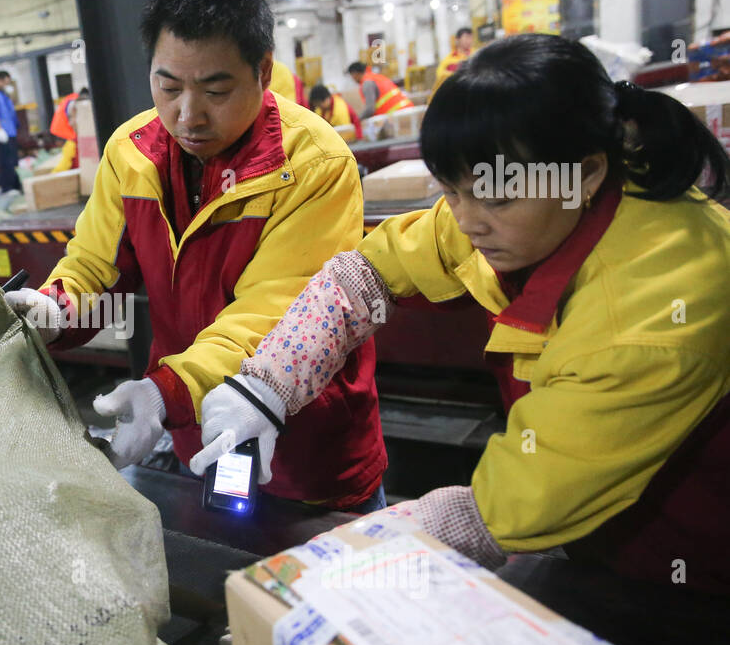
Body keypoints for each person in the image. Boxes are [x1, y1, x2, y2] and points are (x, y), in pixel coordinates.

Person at [191, 33, 730, 595]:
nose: (468, 221)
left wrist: (365, 559)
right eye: (450, 191)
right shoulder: (535, 196)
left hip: (695, 566)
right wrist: (268, 385)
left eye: (494, 199)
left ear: (587, 175)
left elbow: (522, 500)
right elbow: (370, 273)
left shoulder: (645, 317)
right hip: (602, 525)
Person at [6, 0, 386, 512]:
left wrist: (167, 391)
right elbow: (95, 267)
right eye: (168, 86)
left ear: (262, 71)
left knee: (325, 588)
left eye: (215, 89)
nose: (188, 115)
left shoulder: (312, 165)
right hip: (195, 432)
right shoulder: (132, 153)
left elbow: (273, 316)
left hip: (307, 447)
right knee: (221, 567)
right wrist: (56, 311)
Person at [49, 87, 89, 172]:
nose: (70, 123)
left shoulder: (76, 102)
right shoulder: (75, 102)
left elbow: (60, 169)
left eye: (71, 118)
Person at [432, 26, 474, 95]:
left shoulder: (476, 54)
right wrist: (456, 75)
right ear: (457, 40)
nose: (469, 41)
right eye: (466, 38)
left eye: (471, 38)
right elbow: (440, 74)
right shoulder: (449, 59)